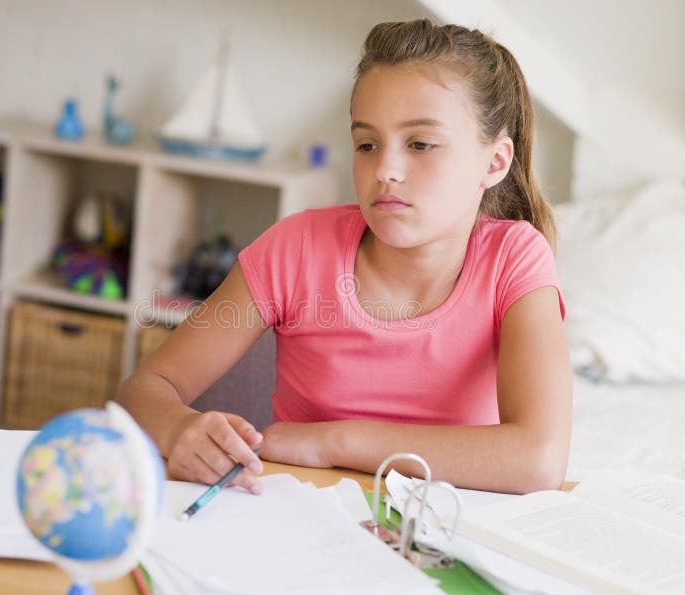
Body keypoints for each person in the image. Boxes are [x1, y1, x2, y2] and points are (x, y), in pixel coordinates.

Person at [117, 19, 572, 495]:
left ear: (494, 162)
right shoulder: (295, 248)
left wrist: (334, 441)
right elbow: (144, 389)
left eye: (420, 144)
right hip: (296, 524)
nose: (386, 170)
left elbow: (538, 461)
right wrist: (175, 429)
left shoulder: (514, 259)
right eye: (366, 144)